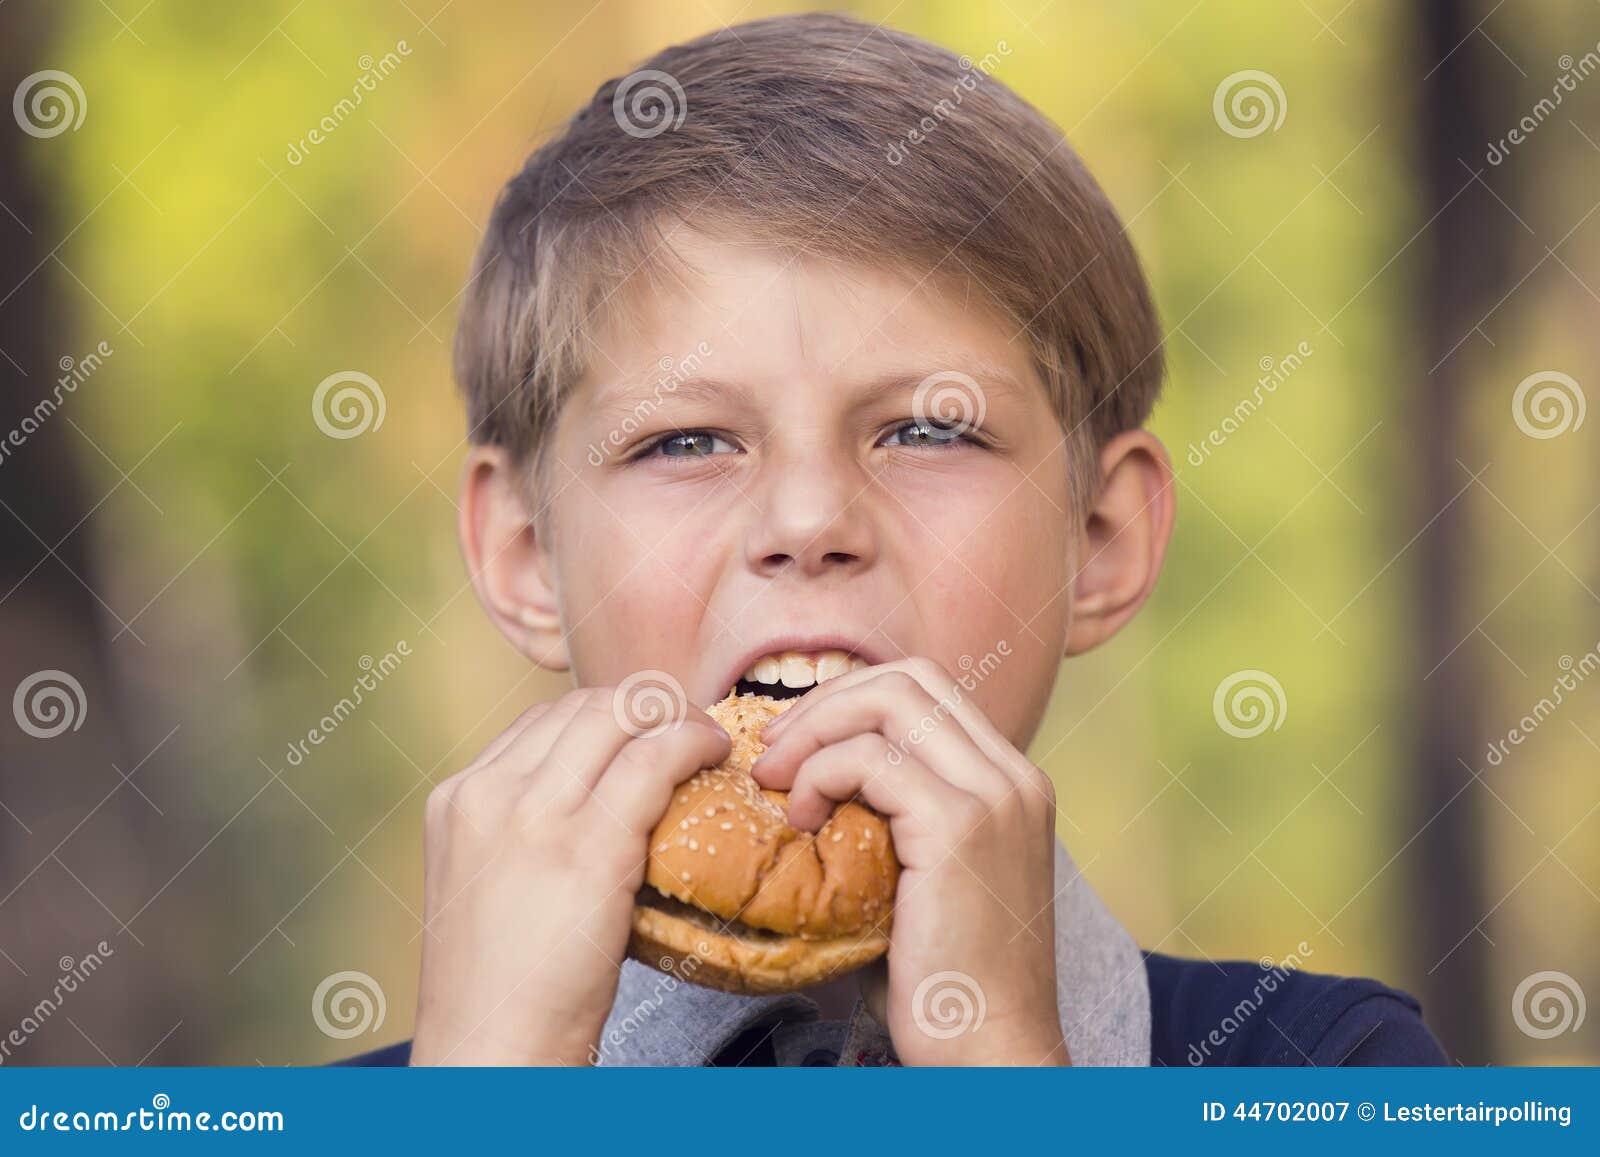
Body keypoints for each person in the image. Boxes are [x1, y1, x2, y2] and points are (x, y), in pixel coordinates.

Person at [344, 12, 1445, 1067]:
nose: (808, 522)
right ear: (525, 556)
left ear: (1100, 538)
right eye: (686, 441)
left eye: (927, 429)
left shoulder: (1332, 1063)